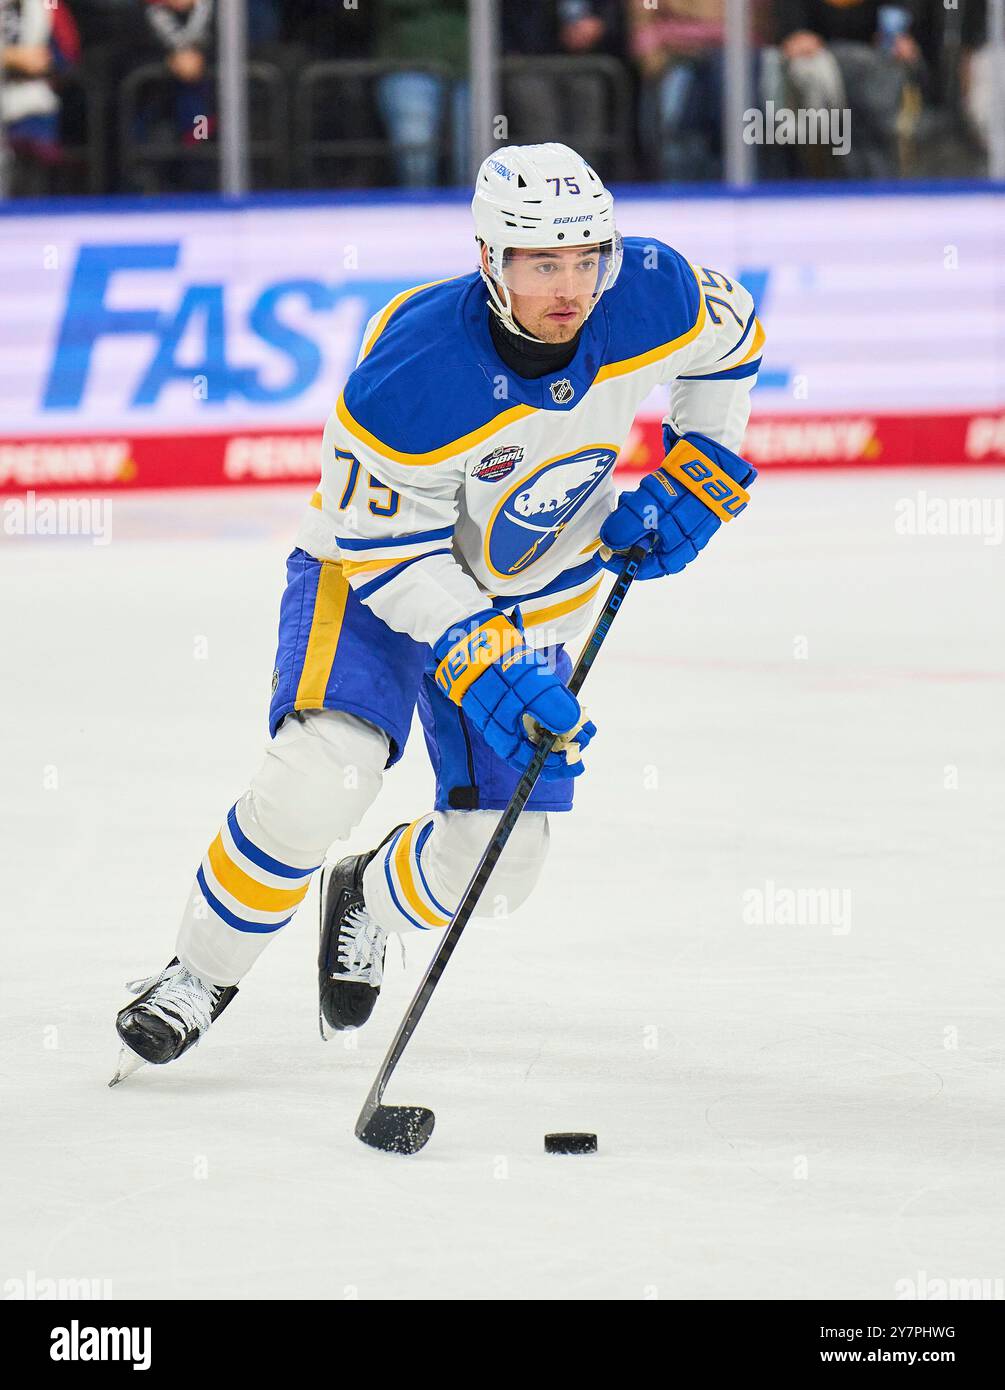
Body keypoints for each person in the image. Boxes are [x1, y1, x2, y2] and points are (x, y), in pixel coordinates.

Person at [112, 142, 764, 1081]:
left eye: (587, 259)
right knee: (319, 782)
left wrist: (699, 463)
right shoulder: (411, 375)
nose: (571, 287)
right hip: (373, 581)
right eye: (544, 263)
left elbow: (735, 340)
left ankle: (367, 901)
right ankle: (197, 975)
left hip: (535, 591)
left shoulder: (652, 290)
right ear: (490, 258)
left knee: (504, 863)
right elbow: (387, 554)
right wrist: (476, 650)